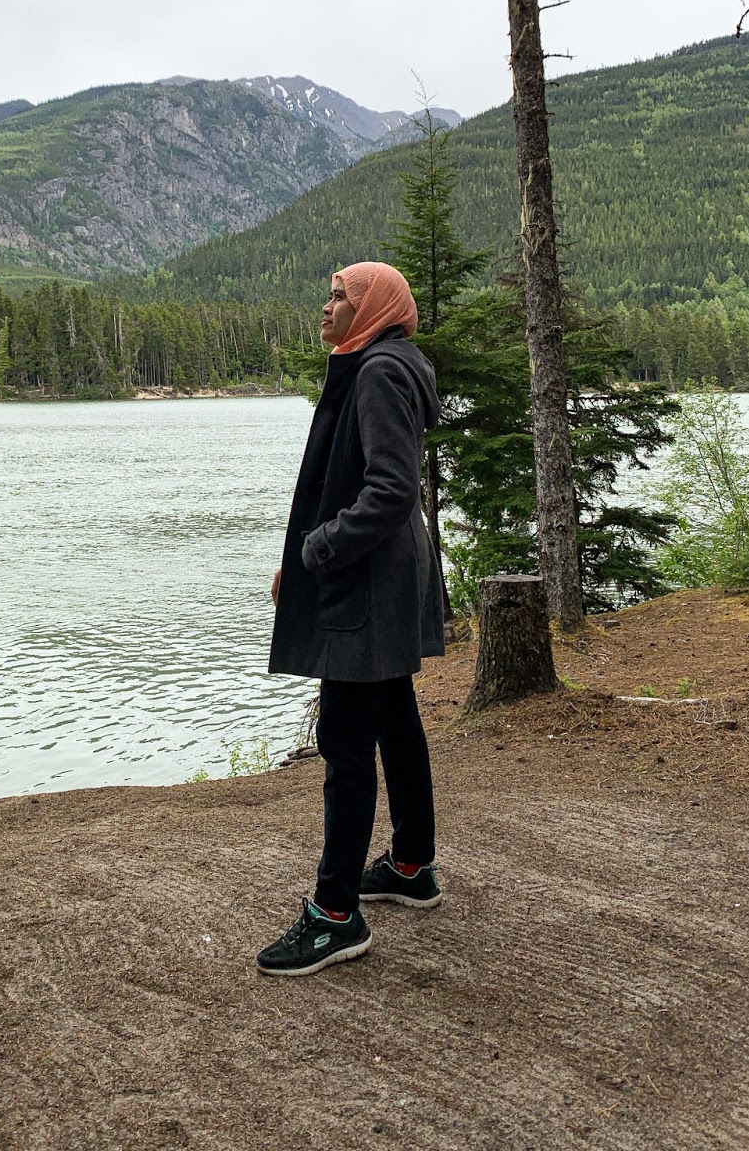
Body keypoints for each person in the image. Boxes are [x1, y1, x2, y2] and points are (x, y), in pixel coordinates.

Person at [257, 261, 445, 977]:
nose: (326, 305)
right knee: (394, 718)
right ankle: (411, 863)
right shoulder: (379, 364)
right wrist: (302, 558)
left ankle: (334, 915)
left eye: (340, 296)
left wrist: (320, 547)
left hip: (368, 585)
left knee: (342, 734)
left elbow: (391, 490)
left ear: (372, 308)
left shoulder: (378, 374)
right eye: (329, 293)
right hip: (378, 575)